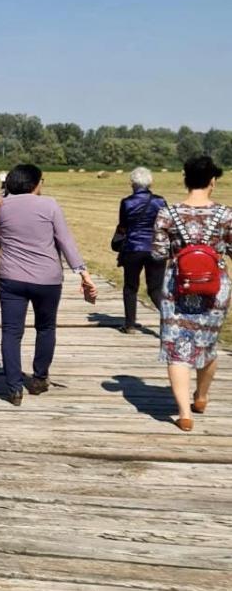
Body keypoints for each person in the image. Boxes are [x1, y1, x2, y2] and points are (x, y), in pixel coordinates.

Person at [0, 163, 96, 404]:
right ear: (34, 183)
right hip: (47, 280)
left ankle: (13, 388)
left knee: (11, 332)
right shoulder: (49, 205)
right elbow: (65, 240)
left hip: (11, 278)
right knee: (46, 327)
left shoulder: (0, 205)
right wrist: (82, 272)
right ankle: (39, 378)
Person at [151, 154, 232, 431]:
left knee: (177, 348)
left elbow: (159, 252)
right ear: (213, 181)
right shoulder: (226, 215)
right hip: (214, 289)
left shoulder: (167, 213)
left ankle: (184, 413)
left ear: (184, 179)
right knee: (207, 345)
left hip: (178, 287)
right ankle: (202, 395)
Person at [114, 166, 167, 333]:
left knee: (131, 287)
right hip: (155, 248)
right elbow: (166, 225)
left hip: (133, 248)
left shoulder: (127, 202)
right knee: (156, 289)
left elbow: (123, 226)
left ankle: (129, 324)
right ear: (150, 183)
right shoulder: (160, 201)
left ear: (132, 183)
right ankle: (170, 319)